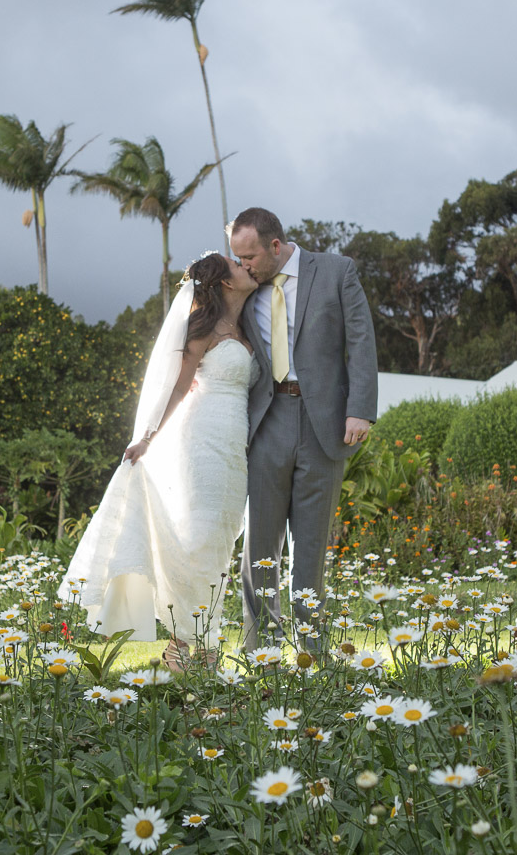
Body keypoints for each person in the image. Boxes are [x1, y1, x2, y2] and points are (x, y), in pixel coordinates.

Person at [58, 252, 260, 664]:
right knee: (200, 539)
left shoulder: (247, 325)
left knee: (219, 544)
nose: (246, 267)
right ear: (223, 282)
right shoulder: (203, 328)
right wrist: (148, 436)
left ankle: (198, 641)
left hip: (234, 449)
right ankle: (187, 644)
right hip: (201, 441)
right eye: (238, 265)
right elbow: (181, 385)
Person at [229, 208, 378, 651]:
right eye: (237, 257)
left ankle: (311, 652)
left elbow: (361, 340)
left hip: (324, 425)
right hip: (266, 422)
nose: (244, 266)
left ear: (275, 246)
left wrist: (360, 410)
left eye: (250, 256)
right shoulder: (242, 285)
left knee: (309, 549)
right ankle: (262, 652)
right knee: (259, 549)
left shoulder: (336, 271)